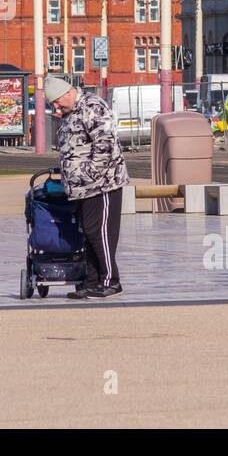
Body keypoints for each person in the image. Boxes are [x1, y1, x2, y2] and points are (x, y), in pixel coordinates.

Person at [45, 74, 129, 300]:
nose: (55, 106)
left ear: (67, 93)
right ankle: (92, 281)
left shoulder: (92, 106)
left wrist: (90, 174)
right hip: (82, 187)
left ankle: (111, 280)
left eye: (56, 101)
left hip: (102, 184)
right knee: (87, 233)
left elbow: (105, 144)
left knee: (99, 232)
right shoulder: (71, 112)